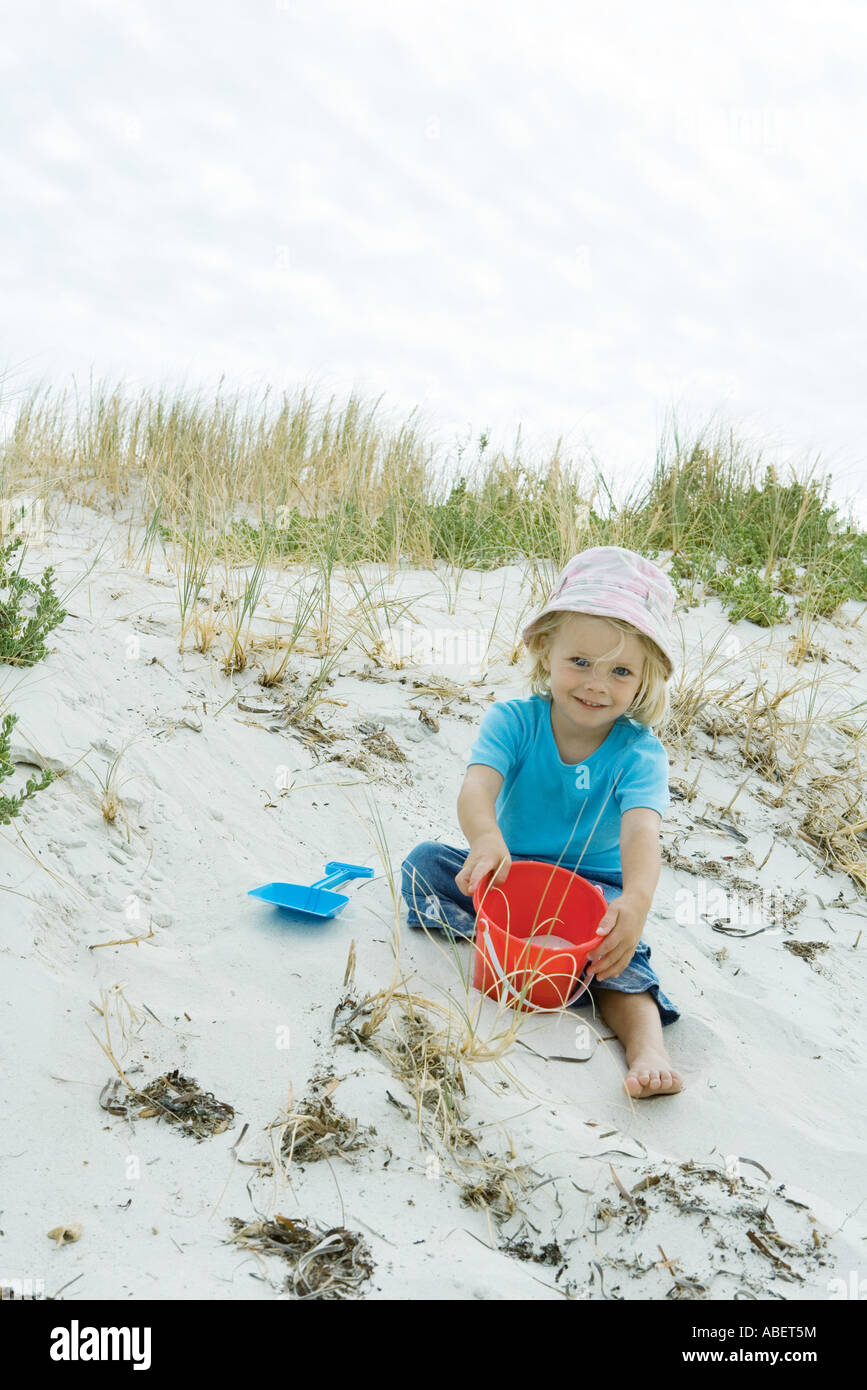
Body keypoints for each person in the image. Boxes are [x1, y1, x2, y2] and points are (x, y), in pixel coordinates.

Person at [401, 545, 684, 1099]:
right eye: (580, 661)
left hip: (591, 889)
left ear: (645, 679)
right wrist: (485, 838)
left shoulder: (638, 752)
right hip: (508, 871)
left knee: (618, 956)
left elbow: (641, 831)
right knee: (424, 866)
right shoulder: (514, 721)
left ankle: (645, 1045)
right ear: (544, 649)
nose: (596, 684)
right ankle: (525, 948)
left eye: (620, 671)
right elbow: (478, 787)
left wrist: (637, 900)